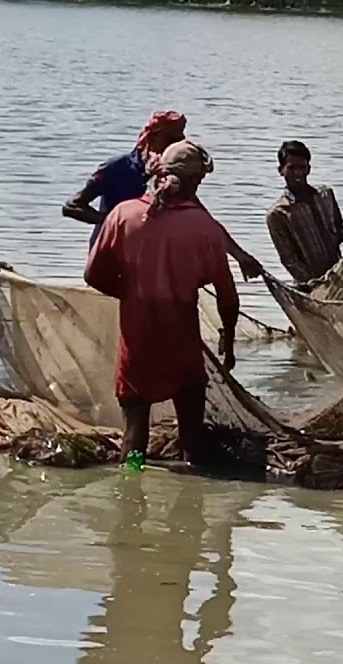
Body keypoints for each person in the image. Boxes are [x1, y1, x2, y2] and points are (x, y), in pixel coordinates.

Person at [84, 140, 240, 465]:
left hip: (137, 344)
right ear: (195, 182)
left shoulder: (122, 215)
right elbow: (227, 295)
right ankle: (190, 489)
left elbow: (93, 275)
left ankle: (130, 491)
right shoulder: (205, 228)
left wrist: (129, 294)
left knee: (135, 430)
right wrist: (229, 340)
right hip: (181, 346)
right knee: (192, 437)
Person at [64, 110, 262, 277]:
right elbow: (72, 207)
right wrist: (115, 223)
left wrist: (240, 256)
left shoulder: (172, 178)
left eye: (179, 140)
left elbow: (206, 221)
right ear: (152, 137)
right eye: (170, 139)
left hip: (148, 260)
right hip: (110, 258)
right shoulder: (116, 169)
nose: (174, 146)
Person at [265, 140, 343, 285]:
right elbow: (289, 259)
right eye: (291, 168)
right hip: (309, 286)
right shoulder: (278, 214)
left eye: (302, 167)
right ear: (281, 170)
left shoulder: (326, 196)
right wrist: (314, 283)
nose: (298, 173)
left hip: (339, 277)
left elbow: (339, 230)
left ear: (308, 169)